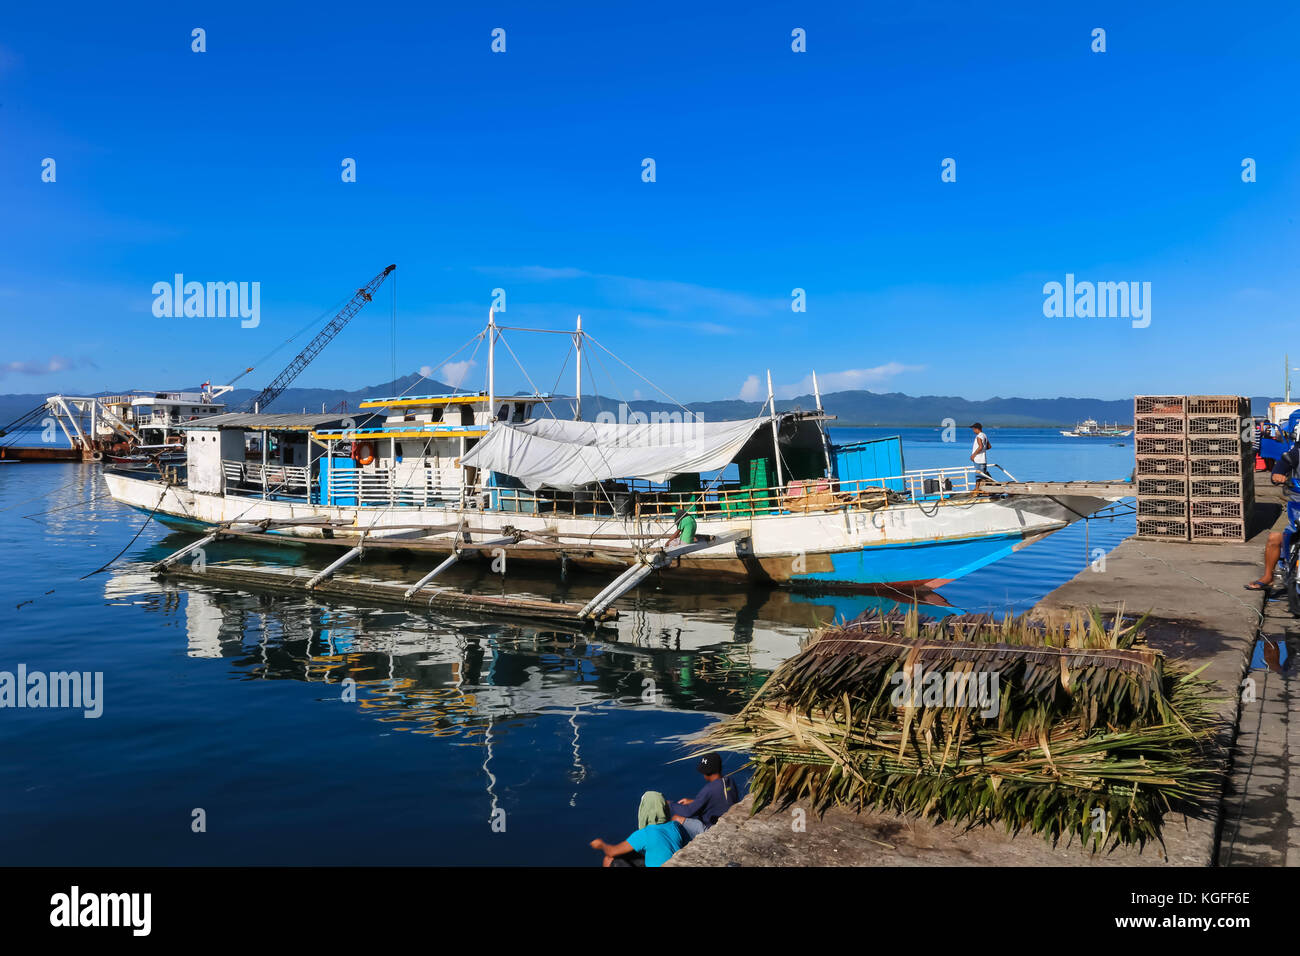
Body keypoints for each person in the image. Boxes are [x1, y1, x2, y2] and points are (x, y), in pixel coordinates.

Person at [1245, 440, 1300, 592]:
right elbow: (1280, 467)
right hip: (1296, 505)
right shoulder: (1295, 453)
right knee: (1274, 539)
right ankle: (1268, 577)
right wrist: (1277, 475)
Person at [589, 791, 688, 868]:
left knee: (610, 859)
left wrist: (601, 845)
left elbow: (612, 852)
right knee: (629, 853)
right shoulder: (675, 826)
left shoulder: (645, 834)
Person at [671, 752, 739, 838]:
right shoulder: (729, 781)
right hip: (727, 823)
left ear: (707, 772)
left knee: (676, 818)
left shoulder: (710, 789)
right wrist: (694, 801)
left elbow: (688, 812)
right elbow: (719, 800)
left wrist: (670, 804)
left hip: (713, 830)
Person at [969, 423, 994, 489]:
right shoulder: (984, 435)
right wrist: (982, 450)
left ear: (976, 429)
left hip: (978, 459)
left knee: (978, 475)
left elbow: (980, 447)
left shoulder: (979, 436)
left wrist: (973, 455)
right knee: (983, 474)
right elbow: (989, 446)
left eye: (973, 429)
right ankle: (982, 488)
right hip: (983, 459)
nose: (973, 431)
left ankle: (976, 488)